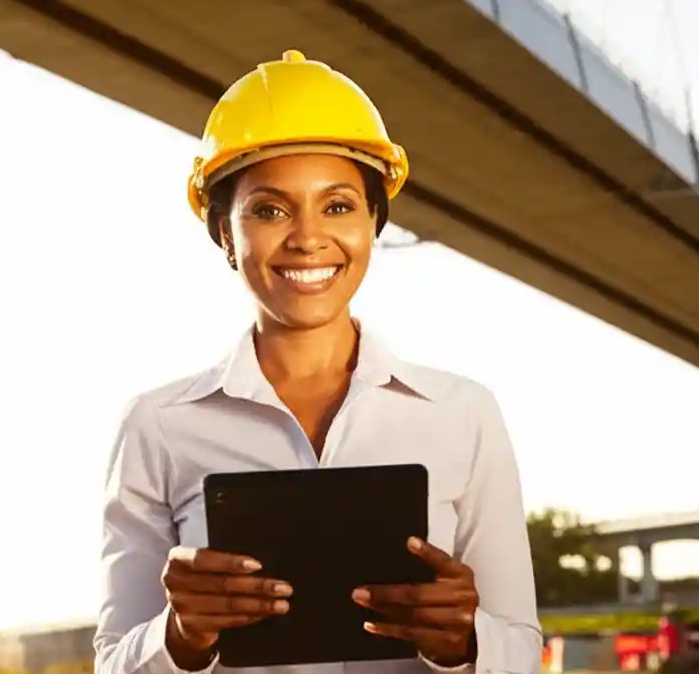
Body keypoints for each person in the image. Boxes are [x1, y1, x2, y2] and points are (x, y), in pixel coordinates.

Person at [93, 50, 541, 674]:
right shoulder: (158, 425)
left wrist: (465, 643)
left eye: (337, 206)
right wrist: (180, 636)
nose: (307, 237)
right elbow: (114, 663)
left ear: (373, 222)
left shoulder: (463, 414)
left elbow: (520, 652)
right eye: (269, 210)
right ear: (225, 232)